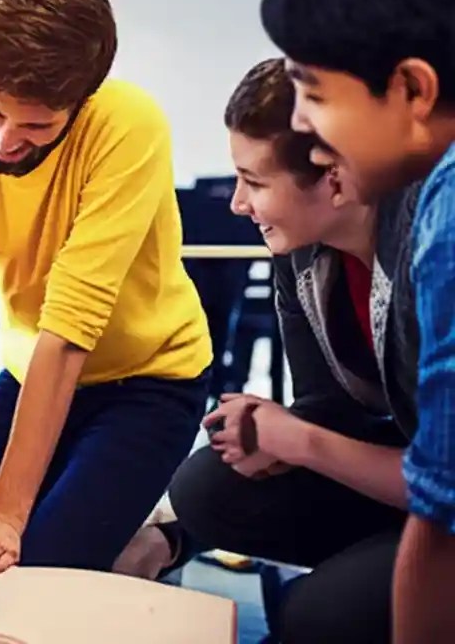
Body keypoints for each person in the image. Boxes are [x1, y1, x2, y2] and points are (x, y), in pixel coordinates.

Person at [0, 0, 213, 601]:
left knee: (31, 576)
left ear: (81, 102)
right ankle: (113, 538)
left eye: (38, 126)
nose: (5, 138)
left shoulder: (129, 124)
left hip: (149, 381)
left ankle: (153, 545)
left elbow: (73, 322)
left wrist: (6, 519)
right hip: (28, 377)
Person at [117, 58, 419, 644]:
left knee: (318, 614)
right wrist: (272, 434)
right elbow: (325, 406)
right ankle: (368, 571)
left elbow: (442, 474)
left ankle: (365, 585)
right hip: (410, 477)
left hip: (443, 490)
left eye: (253, 182)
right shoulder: (301, 255)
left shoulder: (424, 255)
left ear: (333, 178)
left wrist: (299, 440)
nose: (236, 203)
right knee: (206, 487)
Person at [259, 0, 455, 641]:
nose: (301, 121)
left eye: (311, 91)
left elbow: (444, 511)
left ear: (410, 88)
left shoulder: (446, 212)